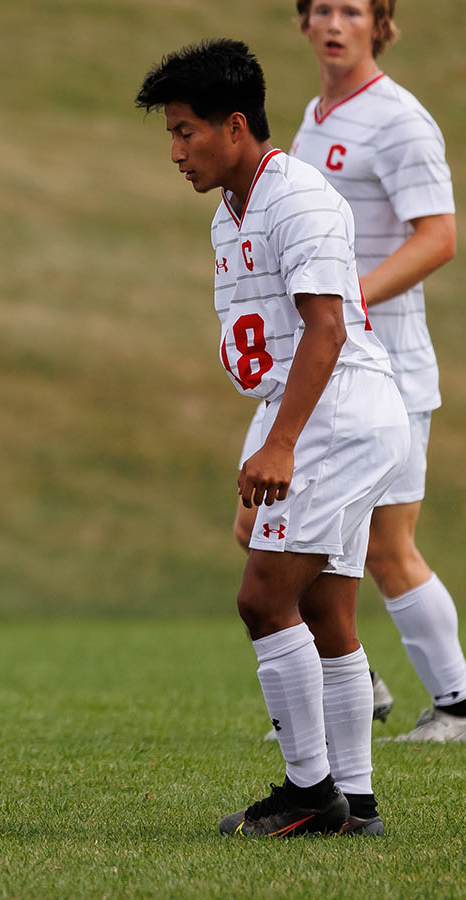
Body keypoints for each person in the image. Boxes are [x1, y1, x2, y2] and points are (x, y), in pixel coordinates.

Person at [136, 39, 409, 837]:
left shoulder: (299, 199)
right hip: (319, 413)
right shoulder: (232, 213)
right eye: (170, 134)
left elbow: (327, 330)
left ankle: (307, 793)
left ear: (234, 125)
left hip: (338, 415)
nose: (176, 152)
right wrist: (268, 435)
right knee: (325, 608)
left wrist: (282, 443)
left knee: (262, 600)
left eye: (185, 131)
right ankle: (355, 802)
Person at [235, 0, 462, 742]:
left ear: (379, 23)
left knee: (387, 549)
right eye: (322, 9)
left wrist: (347, 296)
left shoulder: (399, 120)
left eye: (353, 9)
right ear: (303, 21)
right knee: (267, 526)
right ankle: (352, 682)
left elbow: (439, 237)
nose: (335, 23)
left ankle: (457, 704)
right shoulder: (315, 115)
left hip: (385, 368)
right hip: (320, 364)